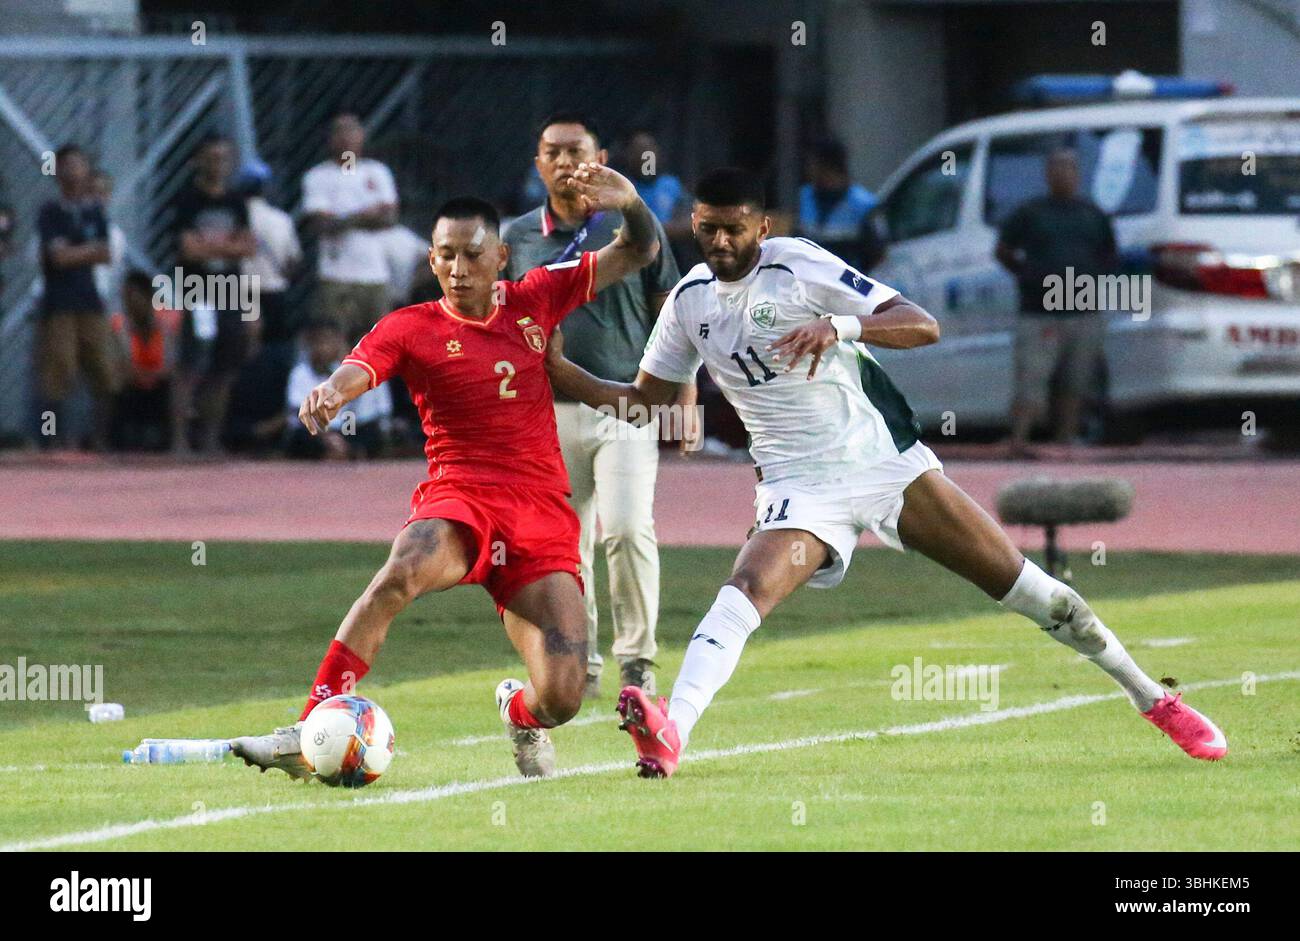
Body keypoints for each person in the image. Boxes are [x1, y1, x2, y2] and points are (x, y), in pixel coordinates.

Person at [544, 167, 1228, 778]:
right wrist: (558, 368)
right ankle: (670, 732)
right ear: (692, 223)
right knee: (747, 587)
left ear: (761, 225)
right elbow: (643, 405)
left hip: (884, 465)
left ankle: (1153, 697)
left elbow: (921, 323)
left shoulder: (798, 265)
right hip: (796, 487)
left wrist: (840, 329)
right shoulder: (689, 302)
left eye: (732, 229)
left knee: (1039, 595)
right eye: (707, 228)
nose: (718, 242)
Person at [230, 163, 660, 780]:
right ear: (431, 260)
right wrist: (332, 392)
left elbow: (639, 249)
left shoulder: (539, 295)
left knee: (564, 696)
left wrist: (633, 204)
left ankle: (520, 711)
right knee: (398, 575)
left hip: (540, 513)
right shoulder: (411, 327)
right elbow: (361, 368)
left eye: (472, 256)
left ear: (501, 257)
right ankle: (309, 727)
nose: (458, 270)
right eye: (445, 256)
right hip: (460, 500)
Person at [504, 112, 688, 701]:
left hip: (625, 402)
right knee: (566, 543)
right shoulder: (516, 238)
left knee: (629, 528)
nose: (563, 163)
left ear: (599, 156)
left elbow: (671, 307)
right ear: (537, 166)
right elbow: (500, 323)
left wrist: (683, 392)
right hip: (544, 410)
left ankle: (637, 661)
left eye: (574, 151)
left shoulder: (632, 225)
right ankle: (579, 659)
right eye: (551, 153)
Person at [996, 146, 1118, 452]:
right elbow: (1004, 250)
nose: (1063, 174)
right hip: (1040, 311)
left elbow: (1109, 256)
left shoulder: (1093, 214)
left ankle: (1066, 439)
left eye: (1070, 168)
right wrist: (1028, 276)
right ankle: (1019, 439)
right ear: (1048, 174)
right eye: (1057, 168)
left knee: (1077, 380)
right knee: (1031, 376)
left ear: (1078, 175)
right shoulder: (1031, 213)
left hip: (1083, 311)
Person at [170, 135, 256, 455]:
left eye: (223, 158)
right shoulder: (187, 199)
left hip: (230, 287)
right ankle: (179, 438)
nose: (217, 164)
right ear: (199, 161)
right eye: (211, 157)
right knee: (192, 361)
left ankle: (210, 437)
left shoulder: (237, 201)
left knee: (226, 362)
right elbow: (188, 250)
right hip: (196, 287)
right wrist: (226, 247)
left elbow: (248, 247)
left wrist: (210, 246)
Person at [35, 144, 119, 451]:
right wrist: (87, 251)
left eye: (78, 164)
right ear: (56, 171)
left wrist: (75, 252)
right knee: (58, 368)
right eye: (66, 164)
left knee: (103, 368)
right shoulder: (50, 212)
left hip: (90, 299)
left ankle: (101, 437)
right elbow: (57, 258)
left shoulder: (94, 210)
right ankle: (50, 435)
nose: (73, 170)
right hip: (59, 301)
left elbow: (106, 252)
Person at [301, 112, 399, 342]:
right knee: (336, 343)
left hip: (376, 274)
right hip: (336, 275)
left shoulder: (378, 172)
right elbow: (321, 223)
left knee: (380, 344)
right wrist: (362, 215)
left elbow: (390, 217)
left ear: (362, 135)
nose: (346, 137)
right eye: (340, 131)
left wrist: (344, 220)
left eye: (352, 130)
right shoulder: (318, 176)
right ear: (330, 138)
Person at [283, 319, 392, 460]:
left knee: (370, 433)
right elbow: (301, 414)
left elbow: (359, 413)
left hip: (346, 429)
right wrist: (327, 437)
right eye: (319, 342)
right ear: (310, 345)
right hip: (318, 433)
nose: (323, 348)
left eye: (328, 342)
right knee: (300, 437)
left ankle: (347, 453)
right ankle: (330, 454)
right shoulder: (300, 374)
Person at [110, 270, 179, 451]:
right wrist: (139, 375)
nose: (129, 303)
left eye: (134, 296)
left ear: (148, 297)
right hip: (131, 383)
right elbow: (121, 363)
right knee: (113, 382)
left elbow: (171, 363)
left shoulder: (167, 322)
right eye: (126, 297)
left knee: (177, 385)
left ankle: (175, 440)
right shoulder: (119, 324)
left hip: (159, 383)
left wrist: (151, 375)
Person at [237, 159, 302, 345]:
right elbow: (293, 261)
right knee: (273, 347)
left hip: (242, 291)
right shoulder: (282, 219)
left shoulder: (236, 218)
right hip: (274, 291)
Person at [796, 138, 881, 273]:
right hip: (809, 284)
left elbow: (877, 256)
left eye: (812, 164)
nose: (808, 169)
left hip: (849, 287)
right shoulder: (803, 198)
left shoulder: (863, 205)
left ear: (827, 166)